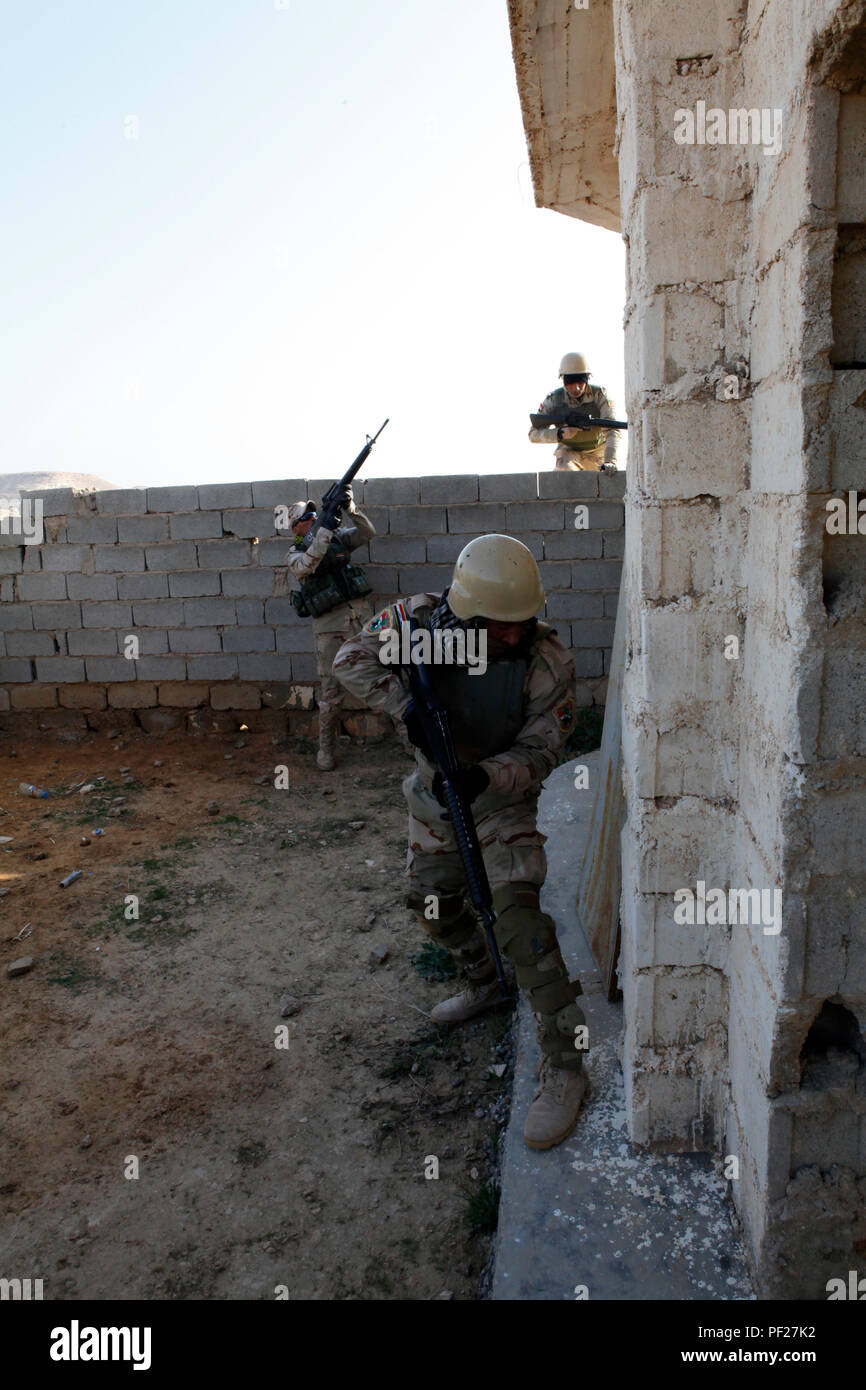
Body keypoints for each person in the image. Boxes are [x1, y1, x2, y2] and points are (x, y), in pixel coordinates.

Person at [332, 534, 589, 1150]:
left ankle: (567, 1066)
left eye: (522, 622)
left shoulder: (544, 659)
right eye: (499, 626)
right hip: (432, 794)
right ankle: (486, 983)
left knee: (521, 924)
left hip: (500, 798)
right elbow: (349, 658)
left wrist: (485, 775)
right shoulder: (415, 621)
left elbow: (543, 750)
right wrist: (406, 707)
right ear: (466, 611)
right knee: (431, 905)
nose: (513, 634)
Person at [285, 486, 377, 771]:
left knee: (385, 677)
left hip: (360, 620)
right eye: (307, 516)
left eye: (316, 514)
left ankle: (406, 740)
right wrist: (323, 530)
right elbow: (306, 566)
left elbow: (367, 533)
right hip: (329, 629)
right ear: (296, 527)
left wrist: (350, 509)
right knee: (331, 693)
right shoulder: (295, 552)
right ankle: (326, 749)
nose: (313, 518)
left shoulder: (337, 540)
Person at [529, 351, 621, 472]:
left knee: (606, 478)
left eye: (580, 382)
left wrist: (610, 461)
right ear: (563, 380)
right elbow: (533, 434)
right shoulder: (554, 399)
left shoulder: (599, 396)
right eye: (570, 383)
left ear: (587, 379)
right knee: (565, 471)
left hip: (598, 452)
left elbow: (612, 430)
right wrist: (560, 433)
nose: (576, 388)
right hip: (569, 452)